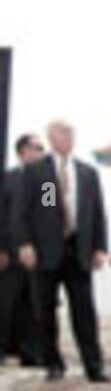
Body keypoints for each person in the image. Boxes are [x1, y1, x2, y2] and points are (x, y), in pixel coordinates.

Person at [11, 120, 110, 383]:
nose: (69, 137)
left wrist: (100, 247)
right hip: (46, 251)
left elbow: (97, 213)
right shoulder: (36, 172)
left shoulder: (87, 173)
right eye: (64, 133)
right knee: (45, 310)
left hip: (78, 249)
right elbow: (23, 212)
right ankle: (53, 363)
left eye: (72, 133)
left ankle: (94, 365)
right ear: (52, 137)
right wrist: (25, 244)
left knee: (85, 310)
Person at [0, 133, 45, 367]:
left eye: (42, 148)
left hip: (39, 254)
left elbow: (52, 214)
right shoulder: (8, 178)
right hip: (10, 252)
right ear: (23, 151)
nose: (40, 152)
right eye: (36, 147)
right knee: (5, 302)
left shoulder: (48, 182)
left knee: (35, 305)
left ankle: (32, 353)